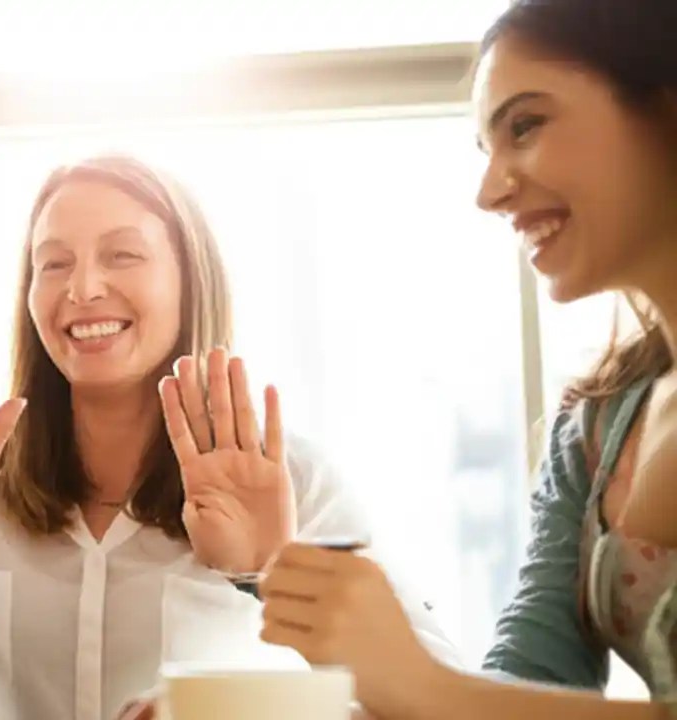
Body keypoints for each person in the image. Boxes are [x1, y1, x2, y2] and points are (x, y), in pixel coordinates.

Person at [0, 154, 456, 719]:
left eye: (122, 255)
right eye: (52, 264)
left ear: (191, 280)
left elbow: (436, 701)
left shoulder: (287, 479)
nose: (83, 288)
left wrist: (270, 572)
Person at [258, 0, 677, 717]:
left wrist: (423, 685)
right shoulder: (595, 433)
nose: (490, 192)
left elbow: (456, 702)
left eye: (525, 126)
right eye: (488, 151)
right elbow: (526, 682)